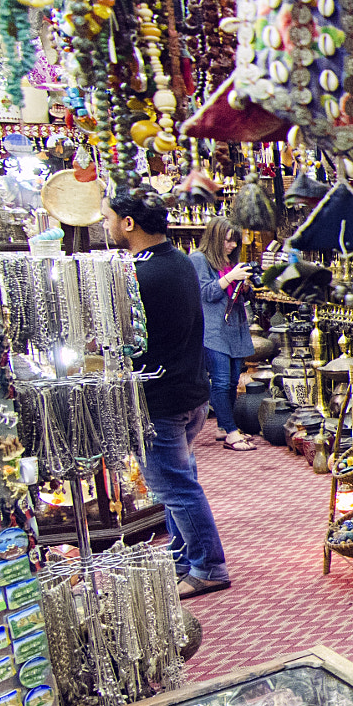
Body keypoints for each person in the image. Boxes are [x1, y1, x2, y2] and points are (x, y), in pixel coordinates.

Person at [108, 187, 233, 597]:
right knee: (180, 481)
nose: (107, 226)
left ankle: (208, 566)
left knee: (176, 488)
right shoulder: (178, 260)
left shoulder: (140, 275)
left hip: (161, 398)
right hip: (188, 390)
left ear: (129, 223)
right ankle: (184, 558)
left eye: (109, 219)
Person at [192, 219, 257, 451]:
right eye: (228, 240)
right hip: (213, 329)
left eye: (235, 241)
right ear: (215, 238)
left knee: (232, 381)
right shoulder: (199, 259)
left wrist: (245, 286)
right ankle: (231, 432)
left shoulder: (230, 261)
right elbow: (204, 293)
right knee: (220, 380)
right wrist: (230, 278)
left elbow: (240, 297)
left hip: (234, 328)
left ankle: (223, 426)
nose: (232, 245)